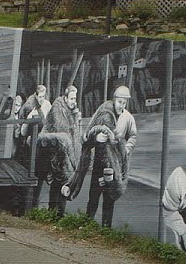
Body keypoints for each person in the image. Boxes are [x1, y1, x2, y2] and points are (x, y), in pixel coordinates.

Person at [65, 85, 137, 228]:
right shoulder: (104, 114)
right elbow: (88, 135)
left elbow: (133, 136)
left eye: (124, 102)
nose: (121, 105)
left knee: (109, 199)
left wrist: (126, 150)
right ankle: (87, 225)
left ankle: (106, 229)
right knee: (94, 195)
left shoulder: (128, 118)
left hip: (114, 166)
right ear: (114, 100)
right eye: (119, 102)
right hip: (99, 163)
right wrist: (96, 137)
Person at [37, 86, 83, 215]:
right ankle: (54, 212)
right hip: (52, 150)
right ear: (65, 98)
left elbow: (75, 135)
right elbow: (61, 128)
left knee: (63, 183)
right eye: (72, 98)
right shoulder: (58, 107)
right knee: (58, 182)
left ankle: (58, 213)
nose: (74, 101)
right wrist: (73, 118)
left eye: (75, 99)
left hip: (64, 152)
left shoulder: (71, 110)